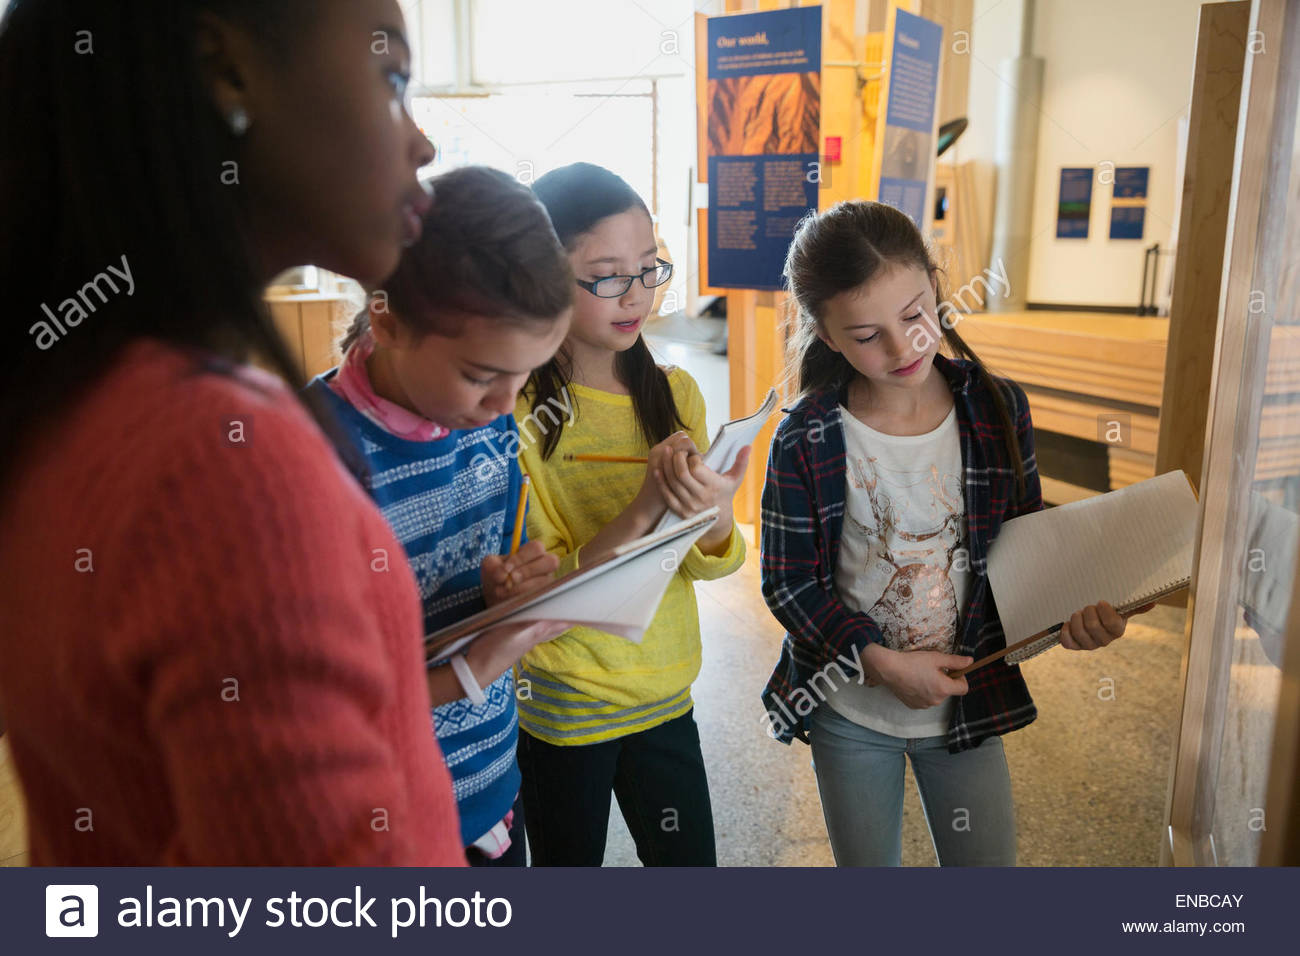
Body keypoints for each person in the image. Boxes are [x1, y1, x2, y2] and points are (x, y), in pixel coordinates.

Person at [0, 0, 524, 865]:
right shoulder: (220, 463)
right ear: (229, 70)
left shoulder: (77, 396)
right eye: (390, 78)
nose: (422, 143)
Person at [759, 200, 1152, 866]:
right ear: (826, 336)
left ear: (937, 286)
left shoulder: (998, 408)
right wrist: (879, 661)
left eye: (914, 316)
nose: (901, 346)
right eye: (865, 334)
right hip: (851, 715)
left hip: (968, 708)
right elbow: (789, 582)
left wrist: (1072, 616)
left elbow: (1028, 548)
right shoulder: (807, 435)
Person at [306, 164, 573, 865]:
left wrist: (503, 593)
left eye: (527, 376)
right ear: (388, 319)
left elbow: (474, 576)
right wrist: (480, 663)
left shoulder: (483, 421)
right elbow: (315, 702)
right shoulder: (312, 459)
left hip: (489, 788)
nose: (506, 404)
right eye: (483, 376)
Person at [514, 163, 750, 866]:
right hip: (565, 701)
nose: (637, 294)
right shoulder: (520, 413)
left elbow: (715, 559)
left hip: (666, 692)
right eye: (607, 275)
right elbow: (550, 586)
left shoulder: (675, 394)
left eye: (650, 269)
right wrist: (648, 503)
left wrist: (712, 515)